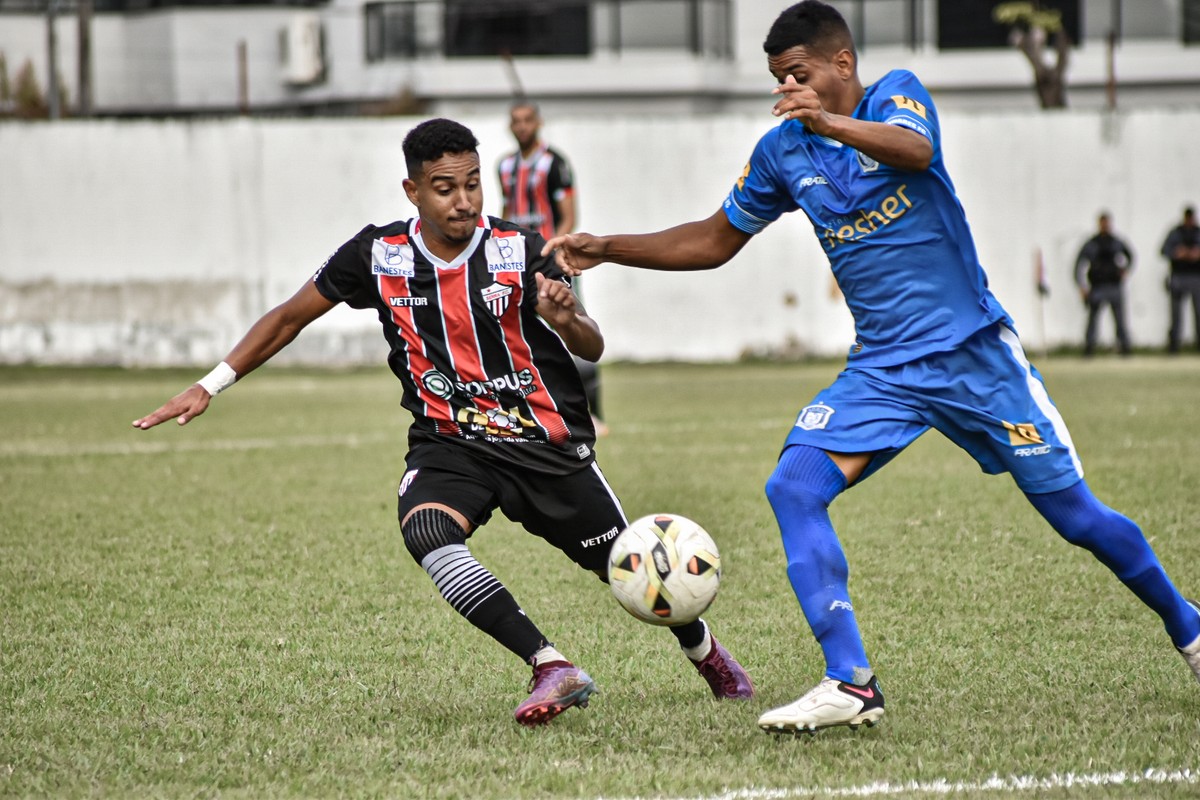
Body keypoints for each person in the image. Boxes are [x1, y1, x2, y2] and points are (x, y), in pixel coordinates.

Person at [545, 1, 1200, 734]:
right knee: (793, 486)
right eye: (777, 79)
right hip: (884, 370)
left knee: (1077, 517)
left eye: (800, 74)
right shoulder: (783, 151)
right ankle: (850, 681)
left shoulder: (897, 95)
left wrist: (825, 121)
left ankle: (1191, 630)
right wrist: (607, 247)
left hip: (973, 355)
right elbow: (713, 239)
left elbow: (912, 152)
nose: (787, 90)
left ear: (842, 64)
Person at [132, 118, 752, 726]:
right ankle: (549, 664)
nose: (464, 201)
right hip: (451, 441)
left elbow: (591, 346)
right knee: (427, 531)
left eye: (474, 184)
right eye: (445, 187)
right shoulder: (378, 255)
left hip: (544, 443)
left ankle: (706, 655)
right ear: (413, 191)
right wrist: (212, 382)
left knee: (637, 570)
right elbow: (291, 316)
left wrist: (567, 319)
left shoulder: (520, 250)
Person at [499, 100, 608, 436]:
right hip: (513, 265)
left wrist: (556, 254)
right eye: (515, 121)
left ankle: (594, 413)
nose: (522, 127)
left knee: (575, 327)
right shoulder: (504, 166)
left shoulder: (555, 163)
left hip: (550, 260)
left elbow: (567, 214)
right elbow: (505, 212)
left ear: (539, 122)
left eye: (527, 120)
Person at [1074, 212, 1134, 356]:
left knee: (1120, 320)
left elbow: (1130, 256)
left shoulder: (1116, 241)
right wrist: (1082, 285)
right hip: (1097, 286)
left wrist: (1125, 271)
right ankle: (1089, 347)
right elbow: (1078, 265)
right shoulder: (1091, 244)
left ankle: (1125, 347)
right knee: (1093, 320)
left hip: (1114, 285)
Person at [1161, 205, 1200, 353]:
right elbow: (1163, 250)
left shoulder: (1198, 232)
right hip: (1179, 276)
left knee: (1199, 313)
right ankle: (1174, 346)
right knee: (1176, 314)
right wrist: (1177, 253)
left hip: (1196, 277)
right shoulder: (1175, 233)